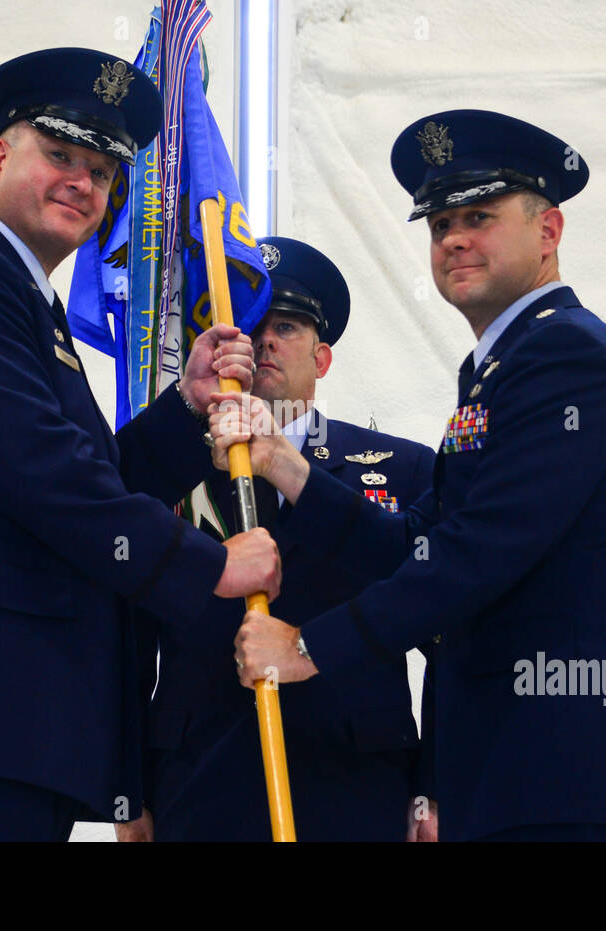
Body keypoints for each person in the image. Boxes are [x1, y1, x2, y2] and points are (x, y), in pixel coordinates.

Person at [0, 47, 281, 842]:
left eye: (103, 172)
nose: (83, 182)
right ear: (0, 157)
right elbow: (42, 473)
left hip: (7, 715)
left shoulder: (21, 298)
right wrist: (209, 564)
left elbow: (85, 471)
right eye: (59, 154)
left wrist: (186, 405)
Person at [221, 110, 606, 842]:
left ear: (548, 231)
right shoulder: (500, 366)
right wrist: (286, 465)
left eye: (479, 216)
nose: (453, 238)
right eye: (439, 223)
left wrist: (307, 647)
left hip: (573, 761)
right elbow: (423, 542)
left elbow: (480, 553)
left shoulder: (566, 357)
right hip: (514, 764)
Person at [119, 237, 436, 842]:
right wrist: (127, 794)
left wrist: (434, 786)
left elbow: (445, 633)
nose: (262, 339)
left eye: (284, 326)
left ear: (322, 359)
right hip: (200, 784)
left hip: (354, 782)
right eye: (249, 323)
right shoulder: (163, 468)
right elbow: (127, 638)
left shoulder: (402, 469)